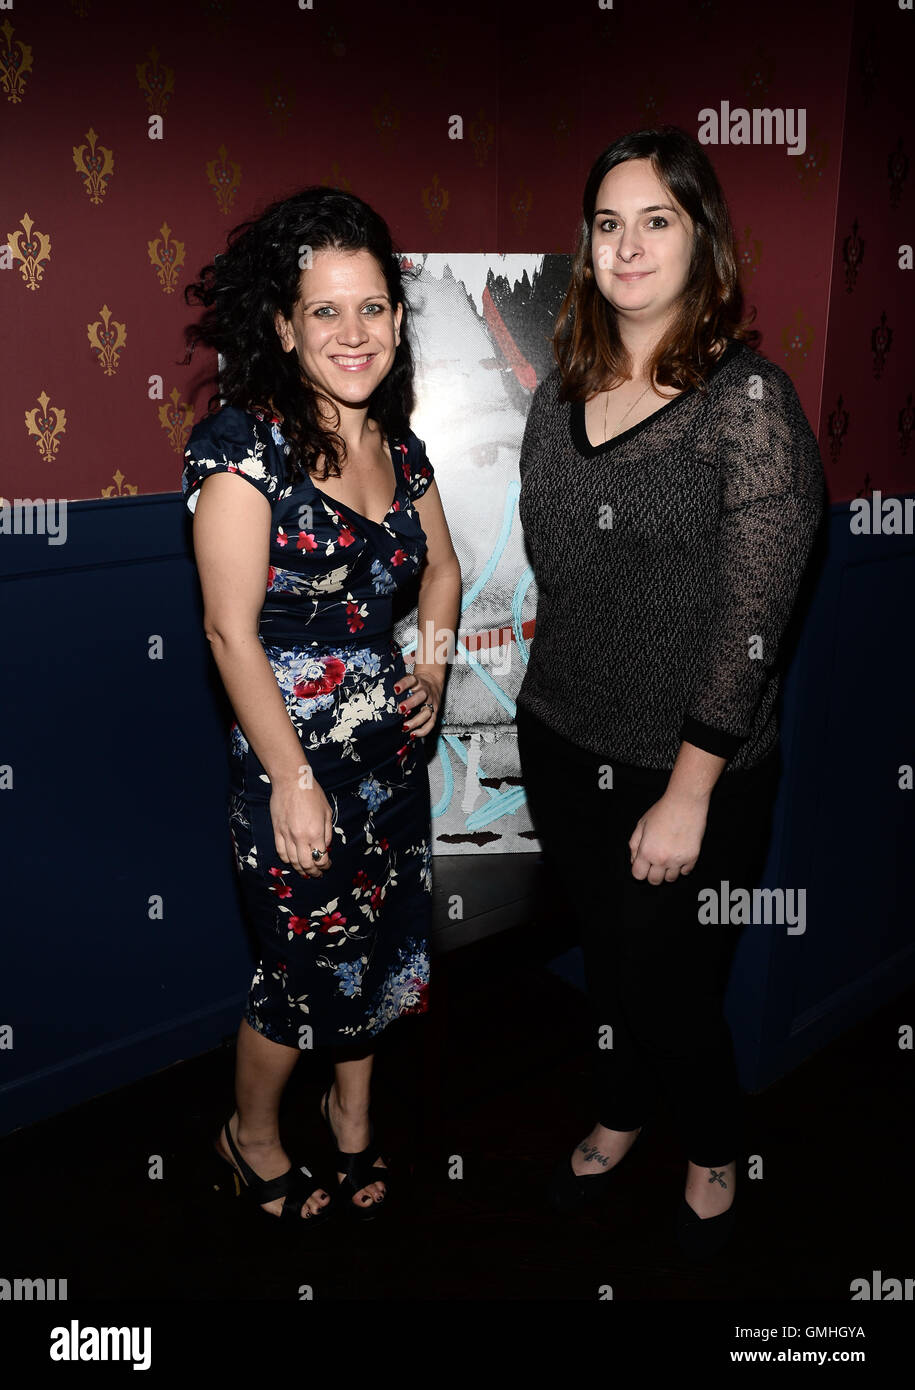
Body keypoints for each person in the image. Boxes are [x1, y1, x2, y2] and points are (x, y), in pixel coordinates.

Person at [515, 126, 824, 1259]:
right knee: (613, 962)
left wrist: (690, 789)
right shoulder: (555, 399)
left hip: (691, 769)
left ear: (703, 244)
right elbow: (561, 571)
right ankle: (620, 1108)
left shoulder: (746, 406)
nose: (630, 246)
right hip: (561, 742)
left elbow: (754, 620)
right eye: (609, 223)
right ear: (586, 248)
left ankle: (712, 1141)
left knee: (671, 987)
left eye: (659, 220)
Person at [181, 187, 461, 1226]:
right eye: (328, 310)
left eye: (374, 307)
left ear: (397, 316)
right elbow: (226, 630)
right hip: (290, 774)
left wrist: (427, 671)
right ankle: (248, 1136)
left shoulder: (403, 441)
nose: (355, 332)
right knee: (302, 980)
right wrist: (294, 779)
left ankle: (352, 1122)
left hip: (393, 765)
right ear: (285, 325)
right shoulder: (239, 448)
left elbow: (442, 574)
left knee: (382, 957)